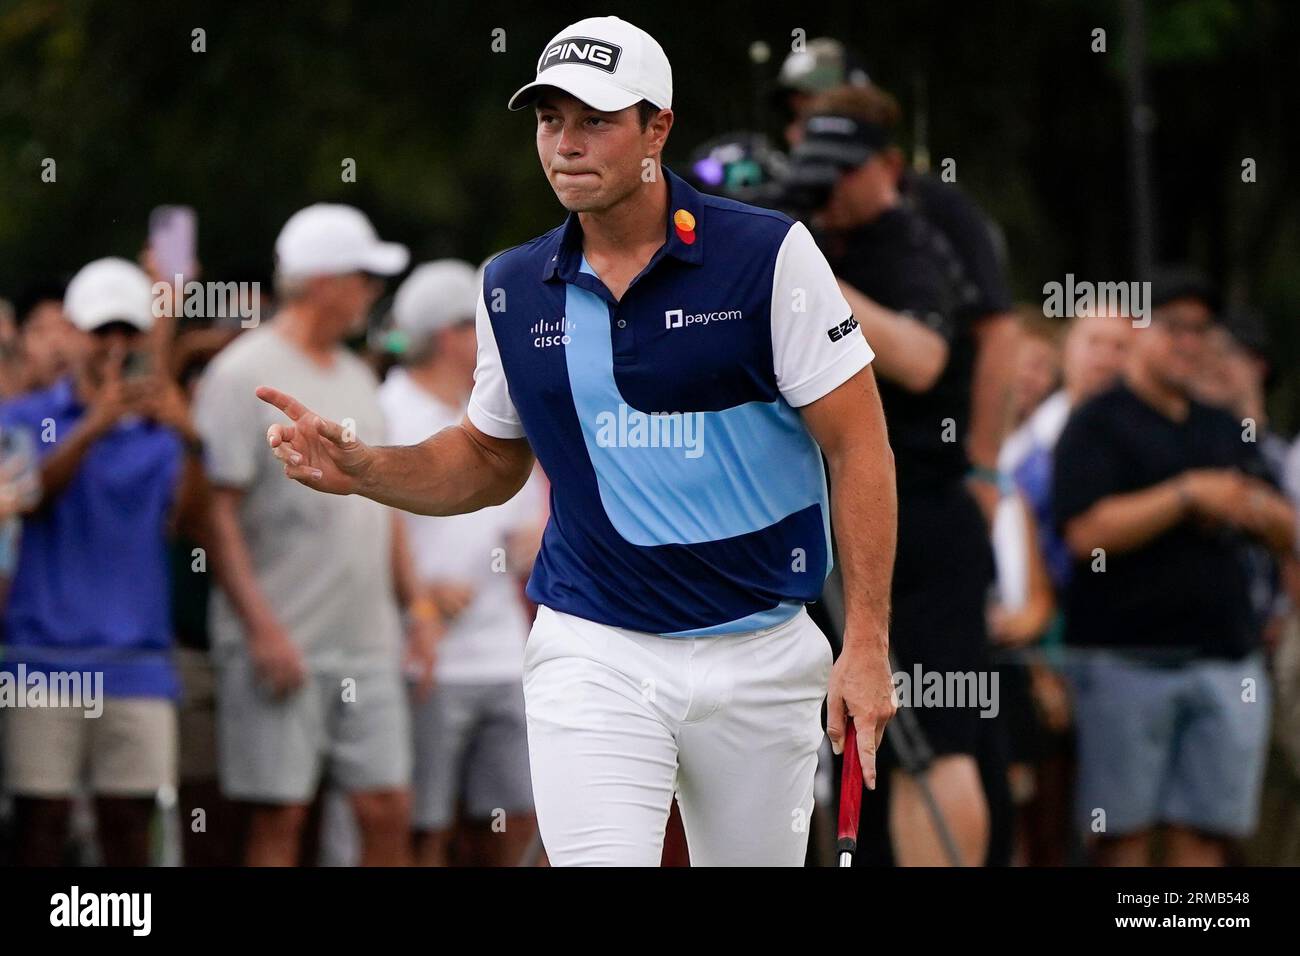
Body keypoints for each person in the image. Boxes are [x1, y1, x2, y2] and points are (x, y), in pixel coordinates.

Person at [257, 15, 897, 867]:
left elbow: (860, 447)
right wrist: (367, 467)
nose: (566, 144)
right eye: (550, 120)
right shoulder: (513, 286)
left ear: (656, 129)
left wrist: (867, 646)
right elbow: (486, 460)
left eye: (595, 120)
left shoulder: (770, 255)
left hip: (764, 645)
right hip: (594, 644)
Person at [789, 83, 1003, 867]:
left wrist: (812, 283)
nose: (827, 192)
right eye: (815, 172)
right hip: (830, 523)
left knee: (931, 738)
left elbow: (923, 358)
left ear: (887, 167)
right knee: (840, 743)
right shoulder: (816, 233)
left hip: (924, 519)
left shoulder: (912, 238)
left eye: (842, 172)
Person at [193, 204, 436, 866]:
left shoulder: (358, 375)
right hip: (283, 641)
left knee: (387, 807)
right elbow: (216, 512)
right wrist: (261, 629)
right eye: (364, 278)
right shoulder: (241, 373)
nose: (372, 294)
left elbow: (379, 504)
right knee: (281, 816)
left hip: (367, 642)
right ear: (325, 281)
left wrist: (415, 608)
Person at [1054, 276, 1294, 866]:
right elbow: (1085, 534)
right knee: (1121, 837)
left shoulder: (1221, 423)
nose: (1188, 343)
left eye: (1199, 330)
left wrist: (1246, 504)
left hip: (1225, 662)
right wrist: (1186, 495)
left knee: (1206, 836)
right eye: (1173, 327)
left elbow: (1286, 526)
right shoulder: (1096, 423)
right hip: (1126, 663)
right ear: (1138, 329)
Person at [1, 257, 205, 866]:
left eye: (129, 333)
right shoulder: (21, 417)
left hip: (138, 662)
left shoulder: (164, 432)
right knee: (41, 824)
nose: (115, 347)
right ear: (73, 334)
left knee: (128, 828)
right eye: (101, 333)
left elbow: (188, 526)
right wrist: (94, 426)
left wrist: (190, 438)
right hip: (44, 657)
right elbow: (28, 503)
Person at [379, 259, 543, 866]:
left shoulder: (496, 409)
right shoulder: (384, 410)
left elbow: (522, 519)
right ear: (453, 334)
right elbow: (373, 525)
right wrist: (418, 594)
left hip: (505, 653)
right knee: (427, 828)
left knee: (512, 822)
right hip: (426, 658)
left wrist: (532, 546)